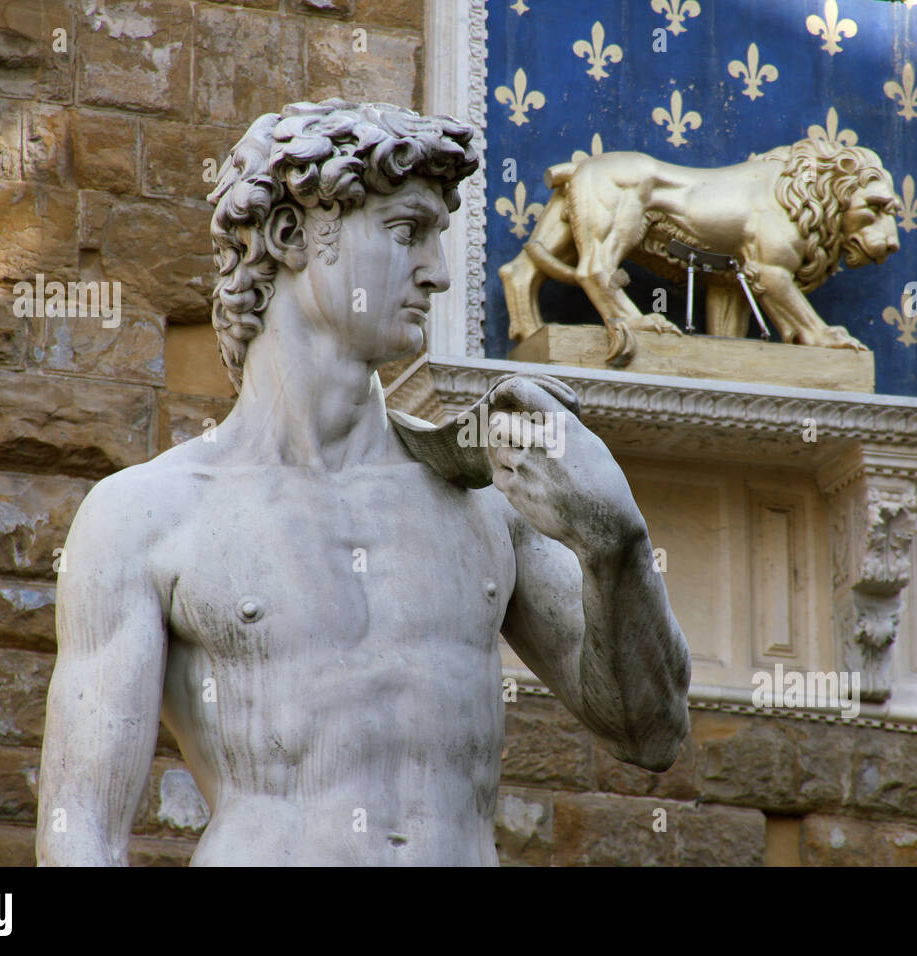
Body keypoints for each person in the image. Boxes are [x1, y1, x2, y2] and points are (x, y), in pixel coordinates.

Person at [36, 100, 691, 866]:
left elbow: (652, 733)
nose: (440, 275)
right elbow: (78, 835)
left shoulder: (486, 499)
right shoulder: (145, 517)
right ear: (288, 237)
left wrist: (615, 545)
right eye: (407, 232)